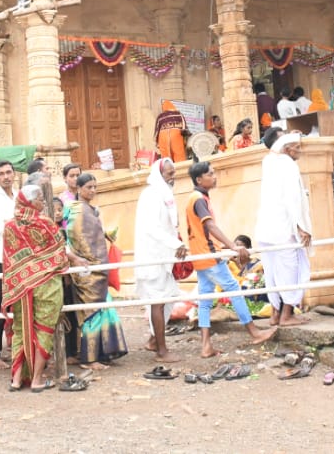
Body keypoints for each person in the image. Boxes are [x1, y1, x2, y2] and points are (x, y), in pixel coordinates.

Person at [184, 163, 276, 357]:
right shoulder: (199, 199)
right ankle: (254, 332)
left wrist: (224, 246)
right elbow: (210, 226)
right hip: (209, 257)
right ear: (199, 179)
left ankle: (206, 345)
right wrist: (232, 246)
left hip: (201, 256)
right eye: (210, 174)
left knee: (205, 300)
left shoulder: (196, 198)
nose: (214, 176)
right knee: (234, 290)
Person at [2, 184, 74, 392]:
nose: (44, 202)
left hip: (20, 288)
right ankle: (36, 379)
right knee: (44, 329)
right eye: (41, 199)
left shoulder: (9, 226)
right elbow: (59, 250)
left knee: (20, 329)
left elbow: (9, 260)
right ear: (31, 202)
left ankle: (16, 379)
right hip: (46, 285)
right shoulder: (44, 223)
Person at [64, 173, 130, 368]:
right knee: (91, 313)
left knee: (101, 311)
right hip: (88, 270)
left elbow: (93, 237)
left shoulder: (89, 210)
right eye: (89, 187)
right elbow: (80, 241)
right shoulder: (77, 212)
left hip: (97, 267)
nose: (93, 190)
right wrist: (94, 264)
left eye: (95, 187)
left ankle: (101, 352)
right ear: (79, 189)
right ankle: (89, 359)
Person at [254, 133, 312, 327]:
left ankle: (275, 315)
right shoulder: (288, 164)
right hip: (283, 228)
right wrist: (301, 227)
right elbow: (291, 199)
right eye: (297, 147)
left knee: (272, 273)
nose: (300, 151)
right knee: (291, 271)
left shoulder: (268, 161)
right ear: (287, 149)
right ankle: (287, 315)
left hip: (266, 228)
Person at [134, 159, 185, 361]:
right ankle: (161, 352)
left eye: (173, 173)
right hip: (153, 257)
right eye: (169, 174)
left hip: (165, 257)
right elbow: (152, 228)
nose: (173, 177)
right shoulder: (151, 194)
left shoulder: (164, 193)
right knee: (158, 303)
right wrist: (175, 244)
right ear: (159, 174)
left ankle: (154, 341)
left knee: (169, 298)